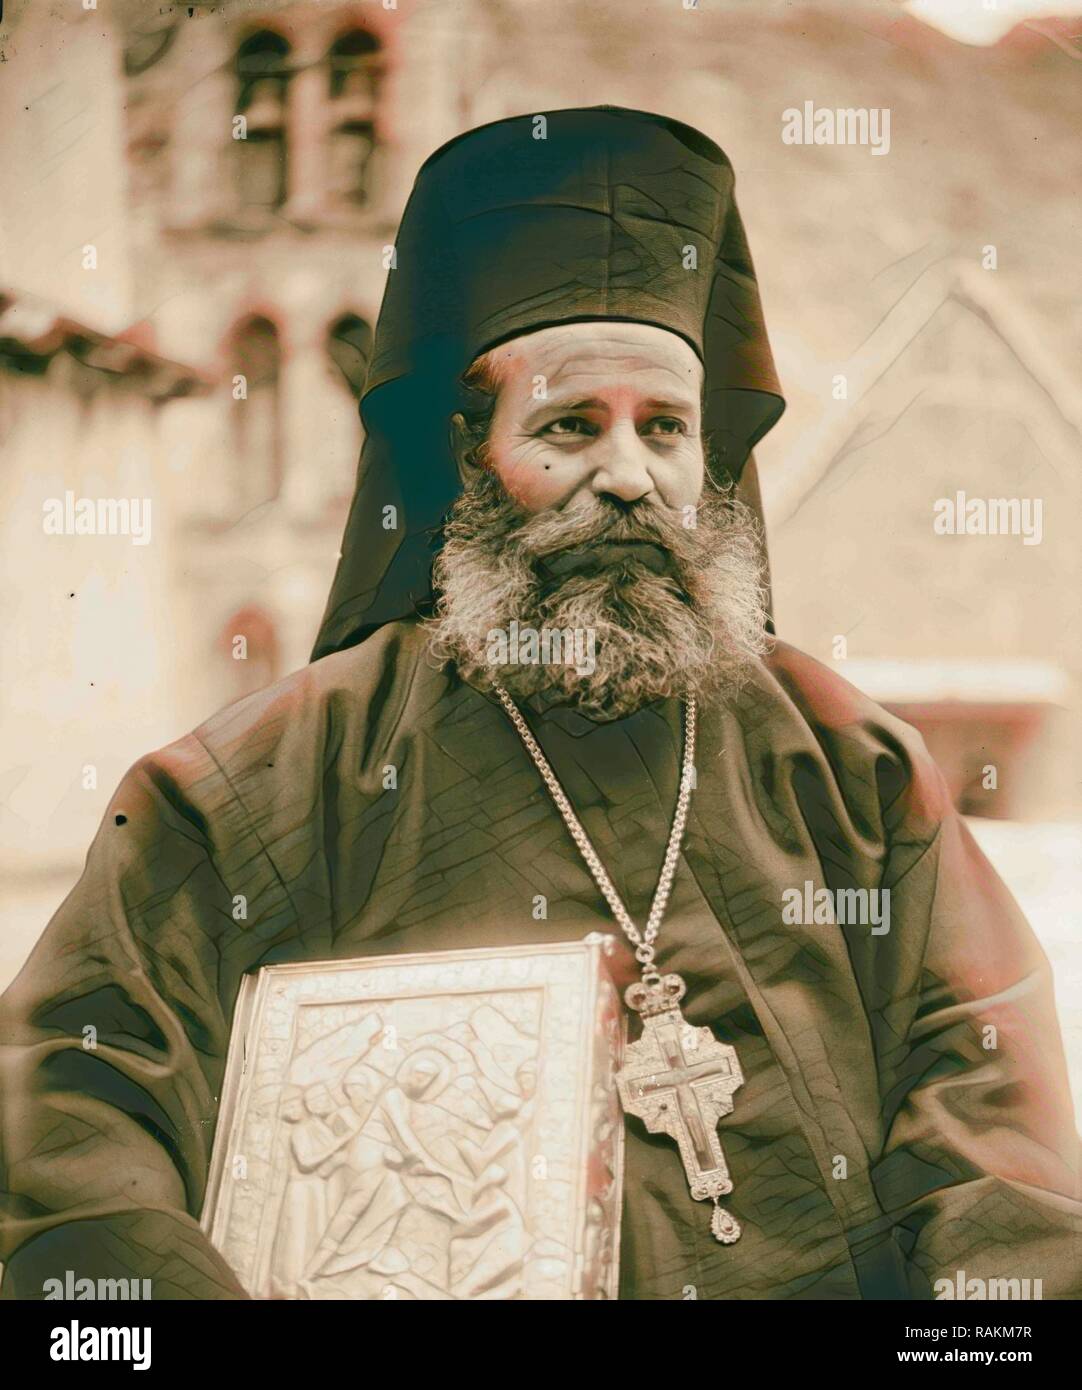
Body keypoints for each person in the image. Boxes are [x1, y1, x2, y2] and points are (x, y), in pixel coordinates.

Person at [1, 106, 1079, 1301]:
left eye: (664, 428)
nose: (627, 476)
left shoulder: (850, 764)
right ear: (472, 455)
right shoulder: (255, 786)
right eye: (571, 425)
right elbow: (72, 1133)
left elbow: (988, 1109)